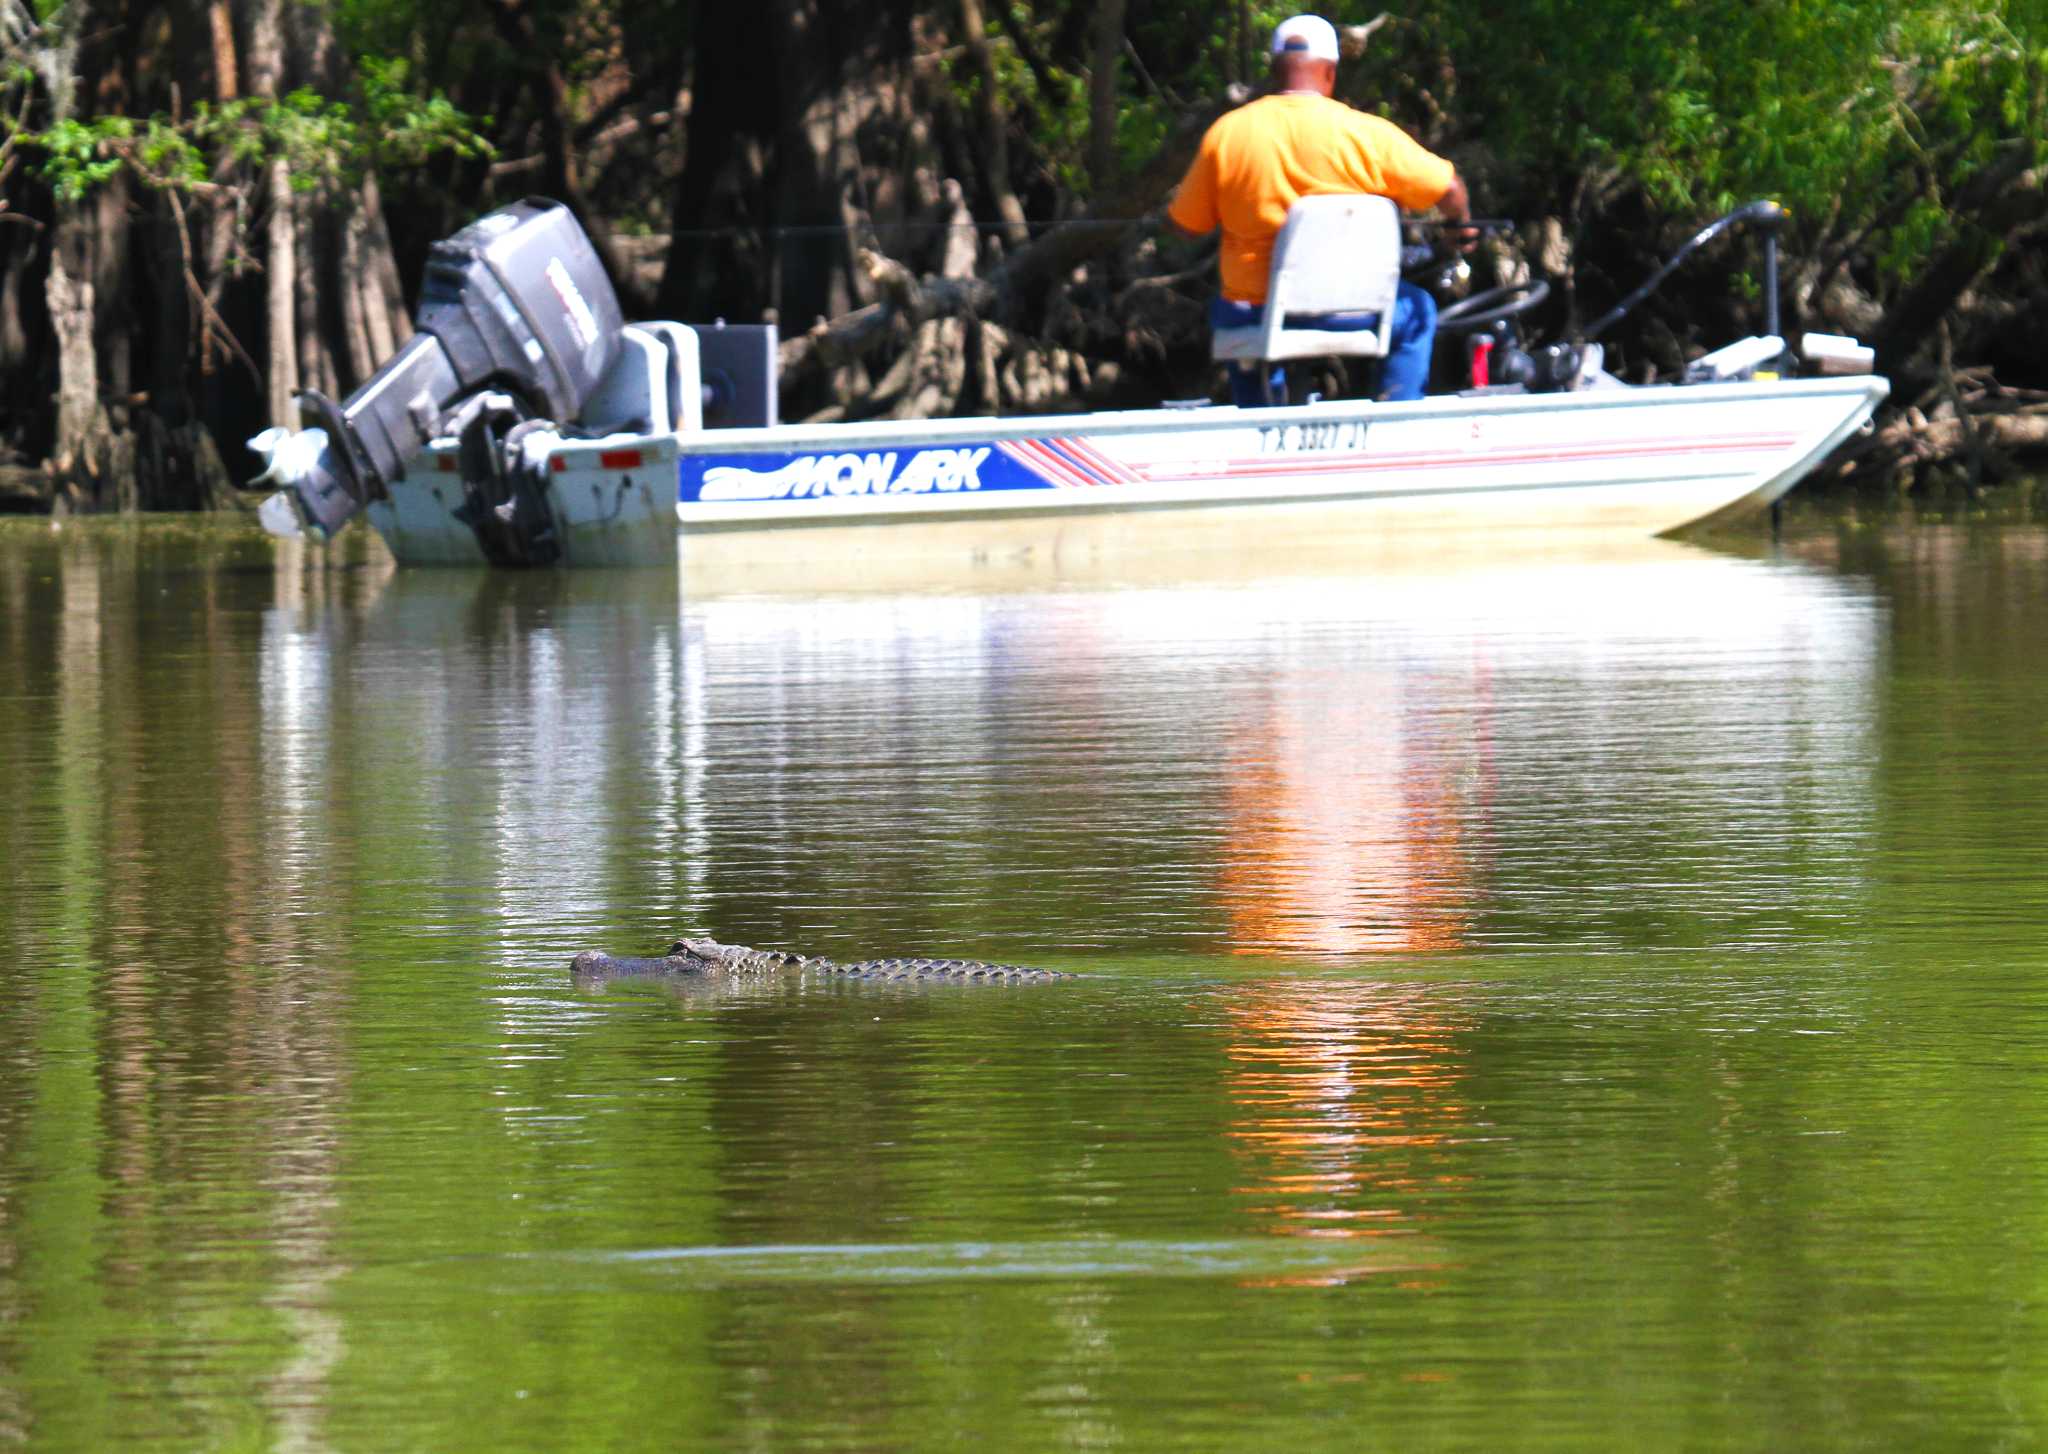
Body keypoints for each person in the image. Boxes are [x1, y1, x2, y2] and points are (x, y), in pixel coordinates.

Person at [1167, 13, 1473, 404]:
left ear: (1275, 69)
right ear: (1330, 72)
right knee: (1418, 310)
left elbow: (1186, 226)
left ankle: (1259, 418)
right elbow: (1449, 189)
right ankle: (1398, 419)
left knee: (1231, 312)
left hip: (1253, 311)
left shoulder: (1228, 133)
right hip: (1354, 311)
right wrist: (1458, 228)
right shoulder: (1368, 134)